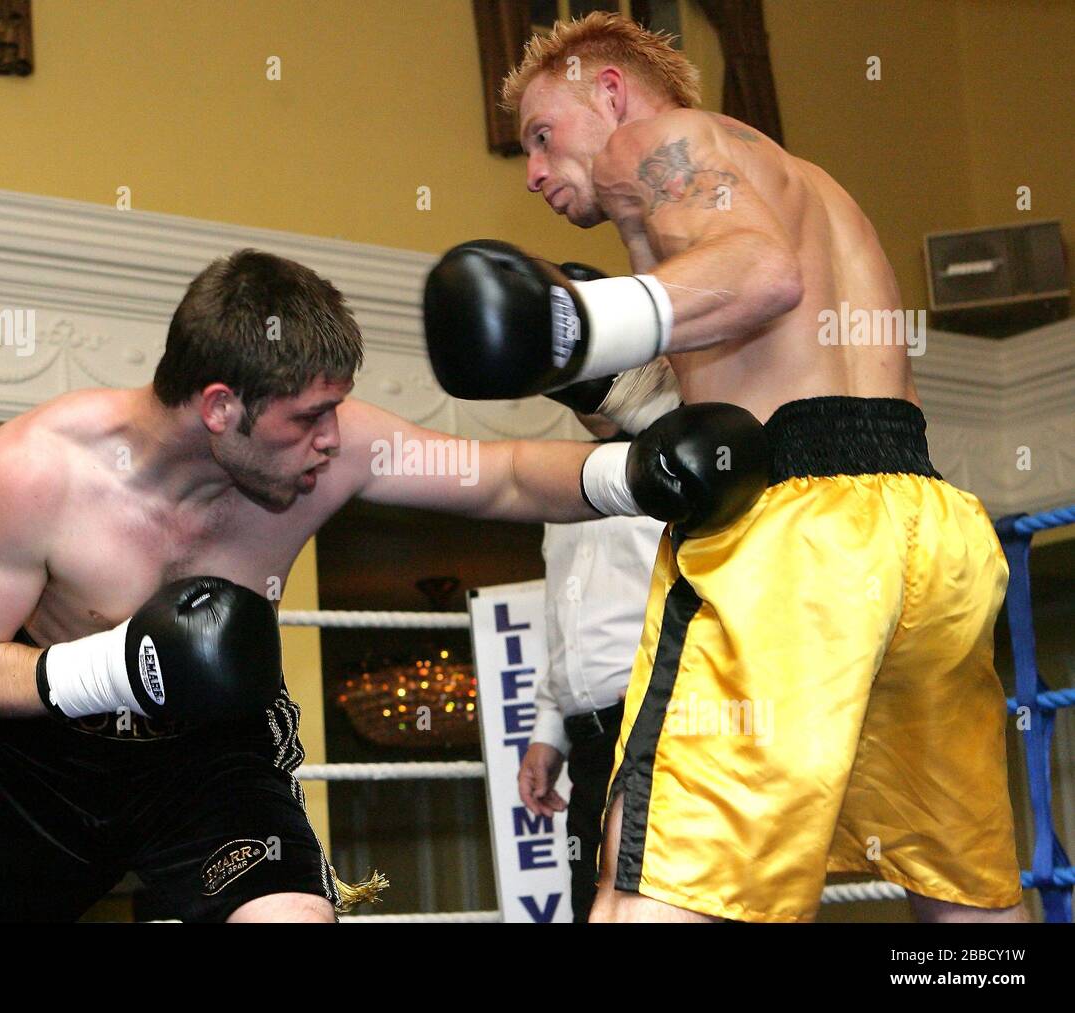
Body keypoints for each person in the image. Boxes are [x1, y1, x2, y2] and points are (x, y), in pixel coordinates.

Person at [0, 248, 763, 923]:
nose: (333, 441)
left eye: (336, 408)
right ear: (221, 407)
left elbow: (501, 477)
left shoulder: (330, 449)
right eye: (307, 419)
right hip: (34, 762)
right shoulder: (36, 471)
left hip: (211, 758)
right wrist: (117, 667)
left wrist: (633, 476)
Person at [425, 12, 1024, 923]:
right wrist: (597, 380)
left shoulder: (650, 144)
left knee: (655, 877)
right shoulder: (812, 183)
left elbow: (762, 274)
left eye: (543, 137)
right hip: (927, 529)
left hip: (794, 538)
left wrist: (574, 323)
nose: (536, 170)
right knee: (961, 894)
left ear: (611, 90)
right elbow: (740, 375)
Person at [519, 412, 665, 922]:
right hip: (589, 747)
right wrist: (548, 733)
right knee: (592, 906)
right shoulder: (561, 479)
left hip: (662, 733)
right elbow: (563, 623)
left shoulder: (678, 464)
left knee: (651, 907)